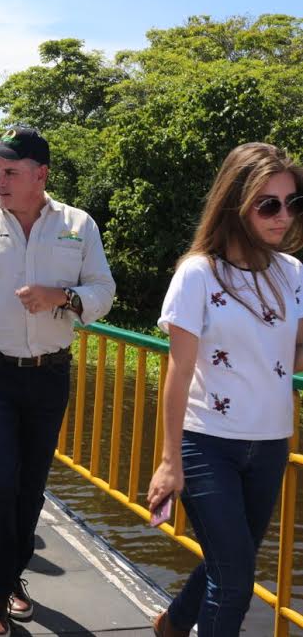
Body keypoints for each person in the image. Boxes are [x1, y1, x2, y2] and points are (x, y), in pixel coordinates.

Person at [0, 126, 115, 636]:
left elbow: (103, 290)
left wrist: (61, 296)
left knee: (31, 484)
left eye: (10, 171)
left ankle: (12, 578)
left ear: (41, 174)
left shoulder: (78, 225)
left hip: (50, 374)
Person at [147, 143, 303, 637]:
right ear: (236, 204)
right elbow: (178, 370)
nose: (283, 216)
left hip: (271, 443)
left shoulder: (293, 274)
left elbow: (291, 355)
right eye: (268, 204)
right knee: (235, 582)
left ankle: (172, 624)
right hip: (206, 444)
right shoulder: (199, 273)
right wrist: (170, 460)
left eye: (292, 203)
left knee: (230, 563)